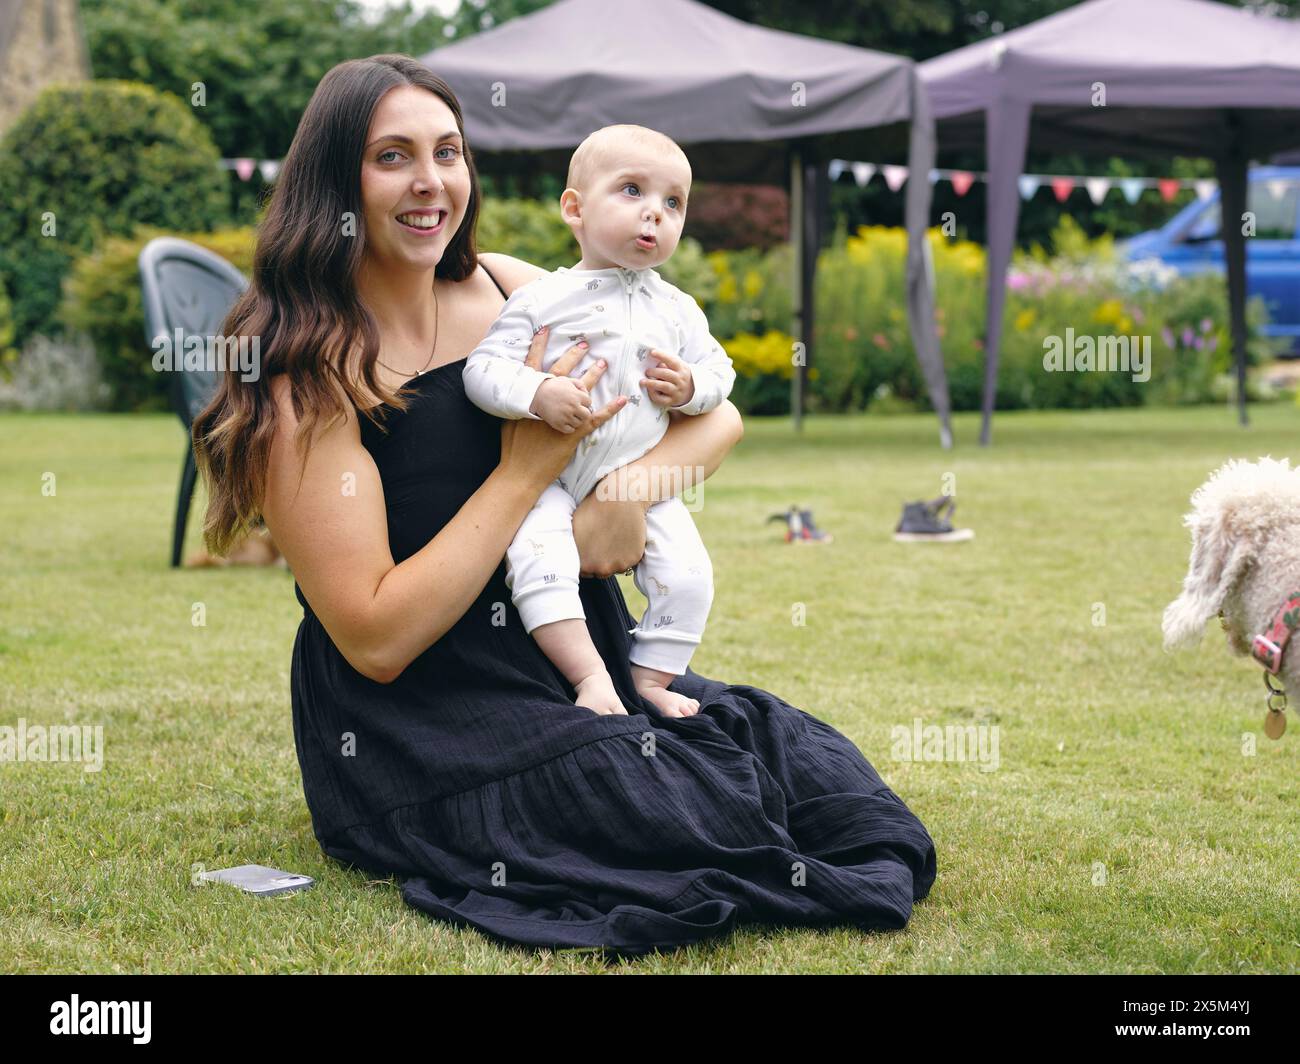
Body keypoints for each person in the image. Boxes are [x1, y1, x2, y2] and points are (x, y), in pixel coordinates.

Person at [191, 53, 937, 957]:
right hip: (427, 711)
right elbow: (375, 639)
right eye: (392, 157)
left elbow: (720, 415)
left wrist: (627, 489)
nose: (431, 183)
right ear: (333, 180)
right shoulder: (303, 373)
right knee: (676, 808)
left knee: (804, 770)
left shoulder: (513, 289)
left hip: (578, 656)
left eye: (449, 151)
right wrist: (523, 472)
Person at [463, 124, 735, 719]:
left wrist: (692, 387)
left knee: (689, 577)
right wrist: (537, 393)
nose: (654, 215)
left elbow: (721, 373)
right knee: (540, 561)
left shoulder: (678, 309)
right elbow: (482, 370)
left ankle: (652, 679)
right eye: (632, 191)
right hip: (553, 482)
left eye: (673, 203)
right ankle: (588, 676)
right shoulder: (542, 299)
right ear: (574, 208)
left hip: (641, 482)